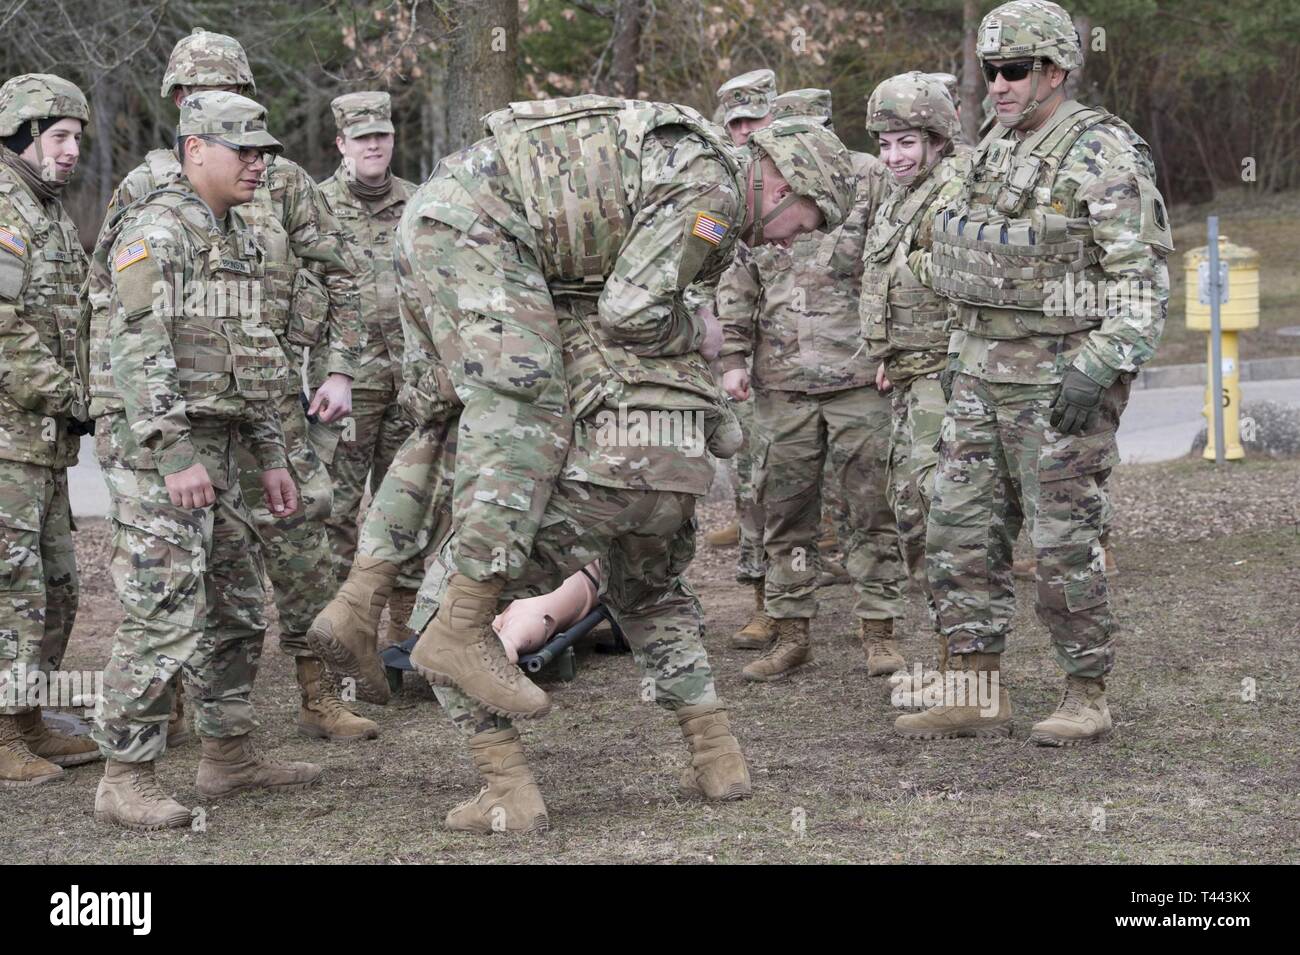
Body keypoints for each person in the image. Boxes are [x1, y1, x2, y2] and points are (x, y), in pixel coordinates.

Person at [399, 97, 852, 832]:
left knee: (441, 622)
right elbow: (635, 313)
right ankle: (717, 754)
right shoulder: (705, 199)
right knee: (651, 591)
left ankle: (506, 787)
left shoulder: (627, 233)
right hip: (675, 470)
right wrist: (696, 335)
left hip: (601, 462)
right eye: (808, 220)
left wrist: (697, 331)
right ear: (786, 181)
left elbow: (627, 315)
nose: (790, 242)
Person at [896, 0, 1173, 744]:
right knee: (956, 531)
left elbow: (1141, 283)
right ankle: (975, 686)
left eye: (1014, 71)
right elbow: (938, 248)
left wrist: (1100, 365)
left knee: (1061, 542)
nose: (999, 85)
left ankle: (1086, 691)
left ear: (1056, 70)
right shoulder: (989, 148)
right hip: (978, 374)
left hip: (1059, 384)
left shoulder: (1103, 151)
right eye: (991, 71)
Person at [89, 28, 374, 743]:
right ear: (181, 110)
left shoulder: (277, 181)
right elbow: (125, 318)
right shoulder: (152, 197)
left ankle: (310, 697)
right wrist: (144, 427)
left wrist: (337, 366)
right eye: (193, 95)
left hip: (261, 403)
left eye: (230, 94)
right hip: (179, 408)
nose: (209, 104)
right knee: (175, 579)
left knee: (295, 553)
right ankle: (164, 725)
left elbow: (343, 272)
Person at [91, 92, 323, 829]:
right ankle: (124, 773)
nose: (259, 163)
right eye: (243, 150)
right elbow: (136, 344)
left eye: (265, 152)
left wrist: (271, 454)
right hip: (163, 453)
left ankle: (229, 755)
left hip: (226, 444)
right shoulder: (156, 230)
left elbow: (253, 355)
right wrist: (173, 451)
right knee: (162, 608)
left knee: (238, 606)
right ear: (195, 149)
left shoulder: (240, 237)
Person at [718, 88, 905, 682]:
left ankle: (880, 631)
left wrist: (892, 347)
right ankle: (792, 631)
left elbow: (894, 263)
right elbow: (736, 278)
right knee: (786, 514)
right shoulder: (753, 196)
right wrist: (732, 356)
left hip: (859, 378)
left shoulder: (865, 179)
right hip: (782, 382)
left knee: (872, 509)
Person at [857, 72, 972, 690]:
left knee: (941, 517)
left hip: (945, 379)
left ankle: (965, 668)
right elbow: (894, 282)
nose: (894, 157)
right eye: (885, 145)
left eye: (906, 143)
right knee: (914, 516)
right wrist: (888, 349)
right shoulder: (903, 193)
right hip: (909, 374)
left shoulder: (955, 189)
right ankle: (952, 658)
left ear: (936, 138)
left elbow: (969, 284)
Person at [0, 73, 99, 786]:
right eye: (59, 137)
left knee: (57, 588)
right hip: (9, 441)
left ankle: (28, 716)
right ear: (23, 133)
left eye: (77, 141)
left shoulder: (51, 213)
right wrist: (72, 396)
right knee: (14, 589)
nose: (70, 152)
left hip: (45, 445)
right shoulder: (6, 209)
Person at [311, 92, 421, 634]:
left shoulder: (421, 203)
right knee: (336, 510)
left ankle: (405, 625)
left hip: (413, 384)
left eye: (382, 135)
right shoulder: (315, 206)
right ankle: (341, 628)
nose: (374, 145)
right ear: (341, 144)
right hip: (347, 383)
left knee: (409, 505)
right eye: (362, 138)